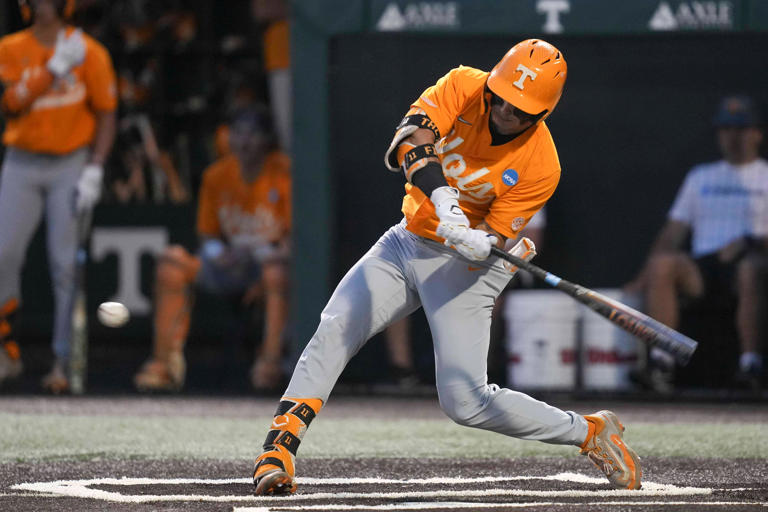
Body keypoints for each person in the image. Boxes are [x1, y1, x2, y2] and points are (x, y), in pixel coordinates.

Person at [250, 39, 642, 496]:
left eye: (520, 111)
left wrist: (483, 243)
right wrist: (442, 199)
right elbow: (410, 138)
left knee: (465, 402)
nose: (504, 114)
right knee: (336, 325)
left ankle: (590, 432)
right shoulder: (463, 85)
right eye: (502, 100)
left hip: (467, 267)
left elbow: (498, 237)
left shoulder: (542, 166)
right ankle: (278, 449)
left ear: (541, 115)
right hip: (409, 238)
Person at [0, 0, 117, 393]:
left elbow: (106, 113)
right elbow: (9, 104)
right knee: (3, 253)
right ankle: (6, 350)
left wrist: (96, 168)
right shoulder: (10, 48)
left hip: (70, 162)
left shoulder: (89, 51)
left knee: (64, 264)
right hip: (21, 161)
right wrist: (51, 71)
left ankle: (62, 361)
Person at [132, 106, 292, 392]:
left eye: (253, 134)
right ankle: (164, 365)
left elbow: (293, 242)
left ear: (267, 139)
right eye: (238, 134)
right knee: (171, 262)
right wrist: (222, 255)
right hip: (230, 265)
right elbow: (208, 236)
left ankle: (270, 364)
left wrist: (258, 253)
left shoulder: (284, 171)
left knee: (276, 272)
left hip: (268, 264)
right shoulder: (216, 175)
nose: (244, 142)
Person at [626, 95, 767, 390]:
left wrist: (748, 242)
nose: (733, 137)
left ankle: (751, 365)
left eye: (740, 129)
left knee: (750, 270)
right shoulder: (701, 177)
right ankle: (661, 363)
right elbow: (673, 232)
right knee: (663, 265)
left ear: (756, 133)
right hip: (703, 267)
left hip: (750, 262)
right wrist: (643, 277)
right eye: (726, 130)